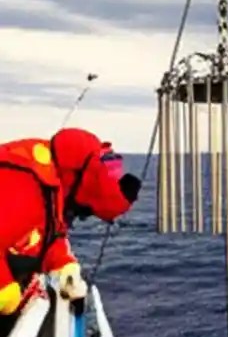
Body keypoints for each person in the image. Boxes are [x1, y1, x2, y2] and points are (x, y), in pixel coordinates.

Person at [0, 127, 140, 324]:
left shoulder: (51, 186)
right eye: (85, 211)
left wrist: (64, 266)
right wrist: (5, 291)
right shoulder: (25, 186)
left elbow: (49, 233)